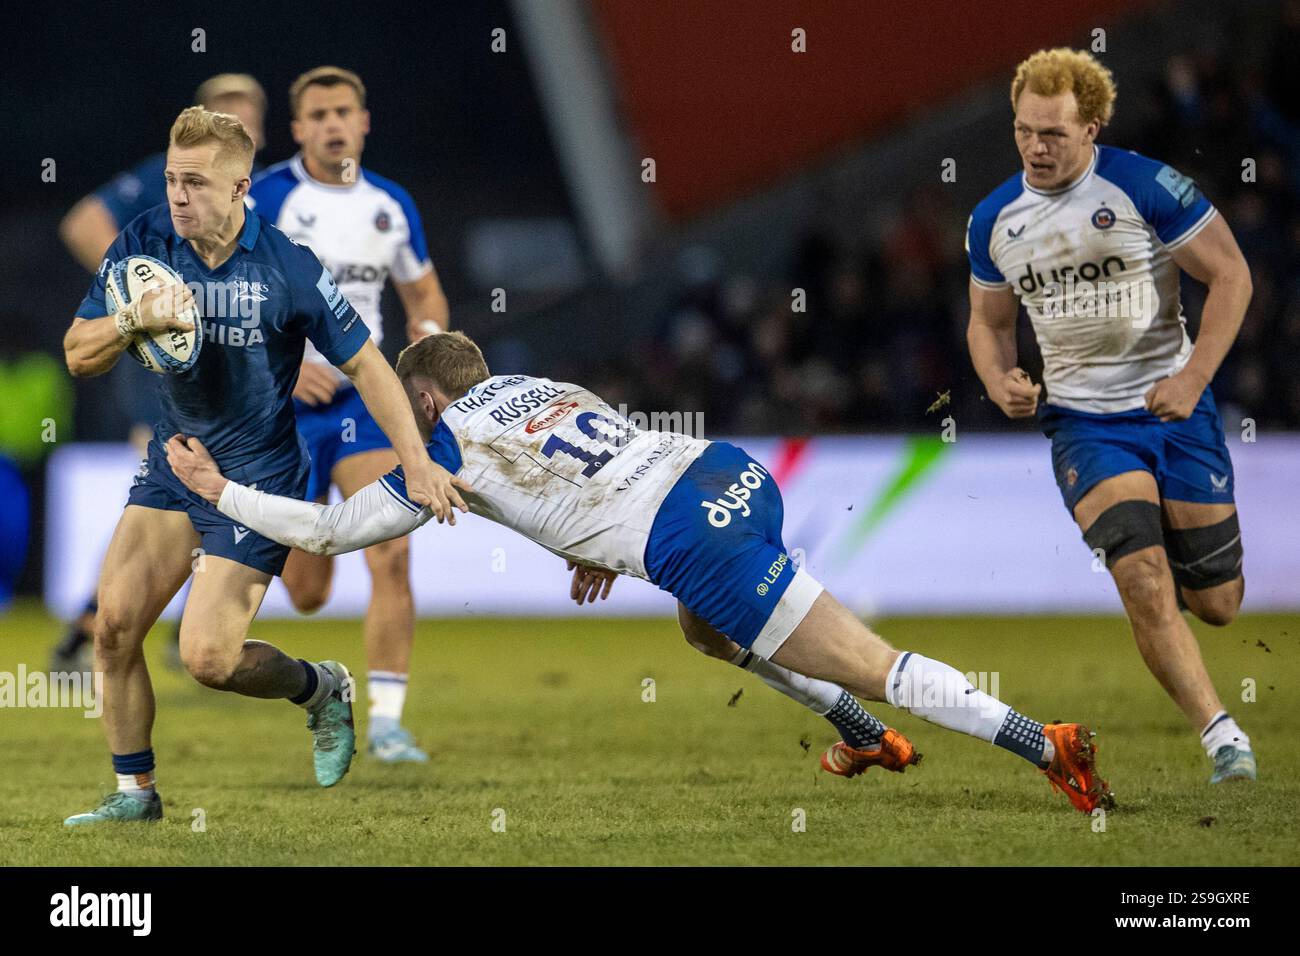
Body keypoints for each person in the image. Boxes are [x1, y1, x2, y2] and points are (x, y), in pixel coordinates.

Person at [166, 330, 1115, 814]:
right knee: (702, 629)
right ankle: (860, 735)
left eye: (401, 406)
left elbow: (332, 532)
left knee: (869, 656)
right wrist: (593, 547)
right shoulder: (546, 386)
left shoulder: (444, 443)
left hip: (689, 533)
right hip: (725, 475)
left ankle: (1046, 744)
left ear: (421, 397)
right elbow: (586, 472)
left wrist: (222, 490)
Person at [60, 106, 465, 825]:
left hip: (256, 476)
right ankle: (135, 796)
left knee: (209, 661)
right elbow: (77, 352)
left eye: (195, 183)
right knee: (116, 625)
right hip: (175, 465)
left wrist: (418, 462)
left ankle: (318, 687)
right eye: (171, 180)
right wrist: (131, 321)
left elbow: (369, 365)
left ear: (241, 186)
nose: (178, 196)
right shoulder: (146, 241)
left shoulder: (286, 265)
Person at [964, 48, 1256, 783]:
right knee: (1143, 577)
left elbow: (1231, 274)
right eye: (1024, 130)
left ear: (1091, 127)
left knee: (1218, 602)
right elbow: (989, 322)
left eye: (1053, 133)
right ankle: (1222, 737)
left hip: (1174, 411)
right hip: (1084, 425)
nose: (1035, 146)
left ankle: (1187, 629)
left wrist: (1192, 377)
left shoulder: (1145, 186)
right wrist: (999, 379)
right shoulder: (994, 218)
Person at [247, 66, 451, 762]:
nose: (333, 124)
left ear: (364, 122)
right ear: (297, 129)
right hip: (285, 413)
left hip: (362, 405)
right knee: (305, 590)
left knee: (392, 549)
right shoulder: (267, 195)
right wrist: (282, 358)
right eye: (319, 114)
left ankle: (390, 724)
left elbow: (423, 293)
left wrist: (426, 346)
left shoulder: (391, 204)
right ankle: (324, 685)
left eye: (344, 112)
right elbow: (229, 288)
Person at [52, 74, 270, 677]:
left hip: (231, 384)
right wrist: (139, 292)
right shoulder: (164, 177)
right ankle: (97, 630)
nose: (236, 121)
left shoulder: (264, 195)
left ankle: (147, 629)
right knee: (173, 495)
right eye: (225, 110)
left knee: (187, 501)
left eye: (246, 113)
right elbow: (82, 222)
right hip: (167, 374)